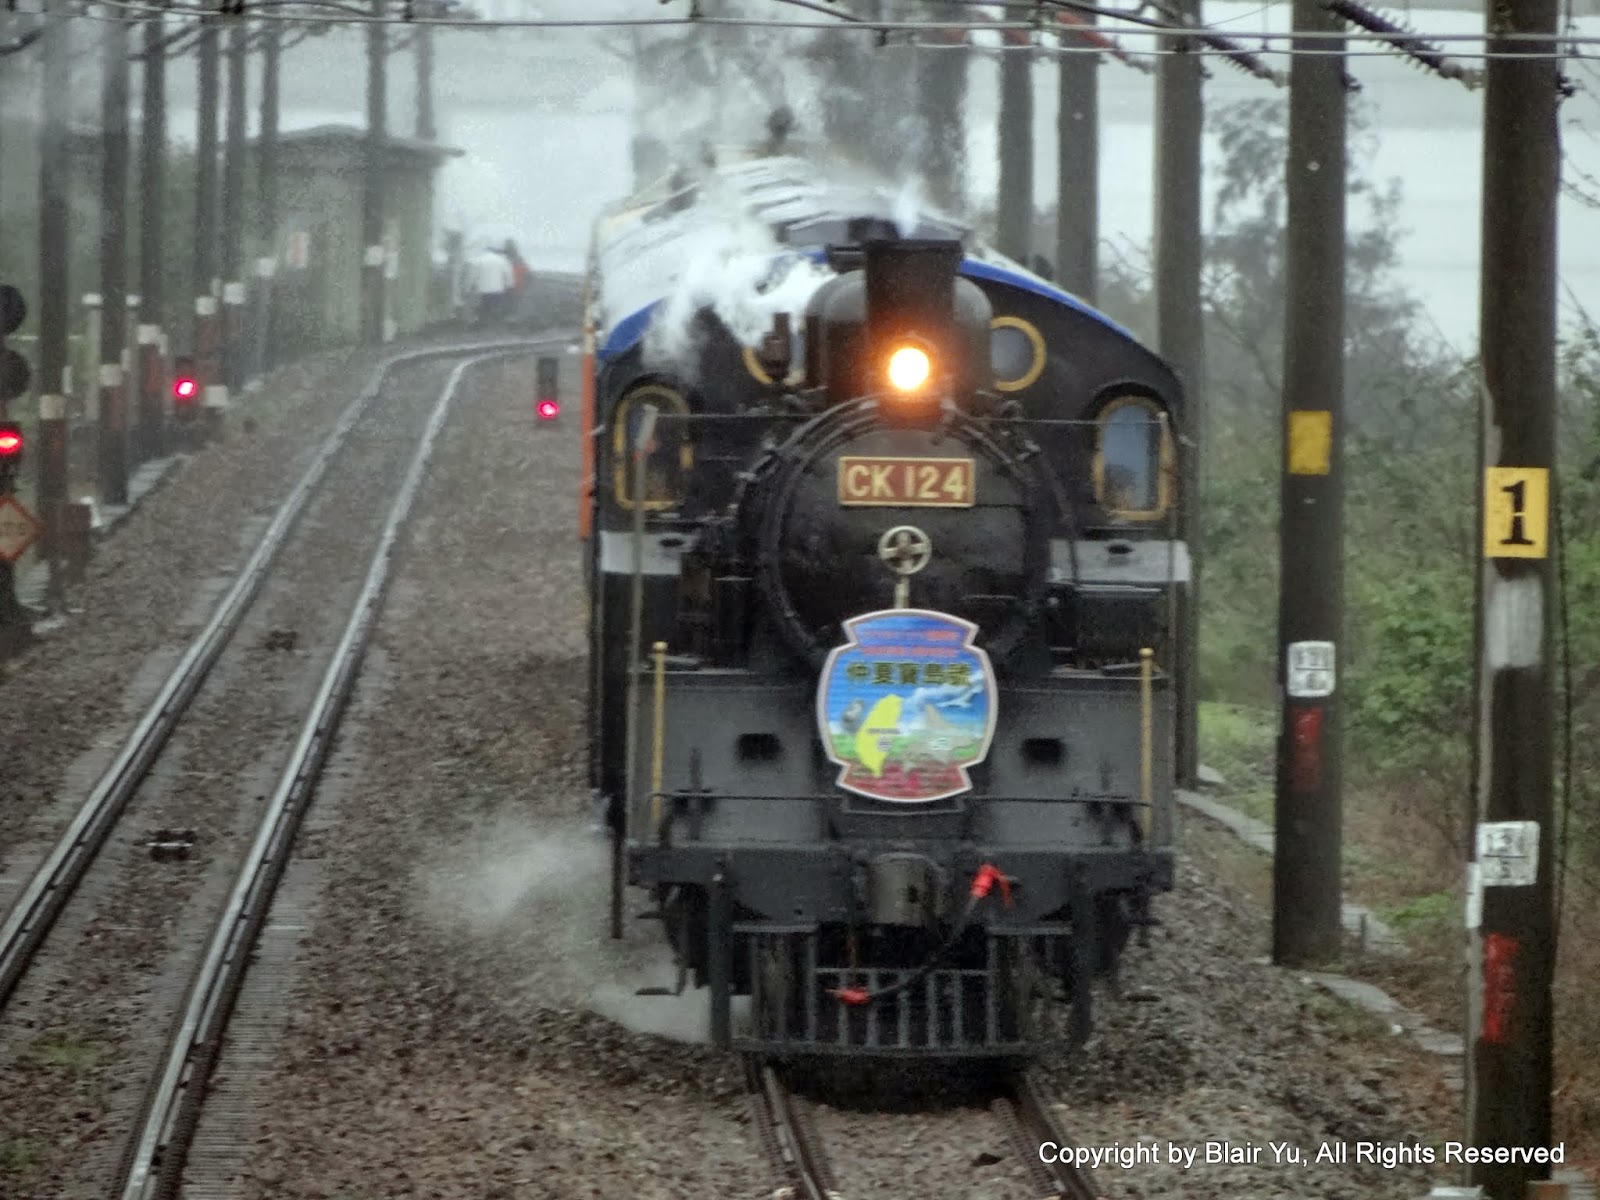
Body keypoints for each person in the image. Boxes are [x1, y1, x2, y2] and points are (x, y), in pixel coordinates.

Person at [467, 244, 514, 325]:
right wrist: (510, 285)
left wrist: (471, 286)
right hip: (498, 289)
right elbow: (508, 274)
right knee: (496, 307)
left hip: (483, 289)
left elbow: (473, 275)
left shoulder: (479, 260)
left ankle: (484, 323)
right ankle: (495, 323)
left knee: (485, 306)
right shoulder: (502, 260)